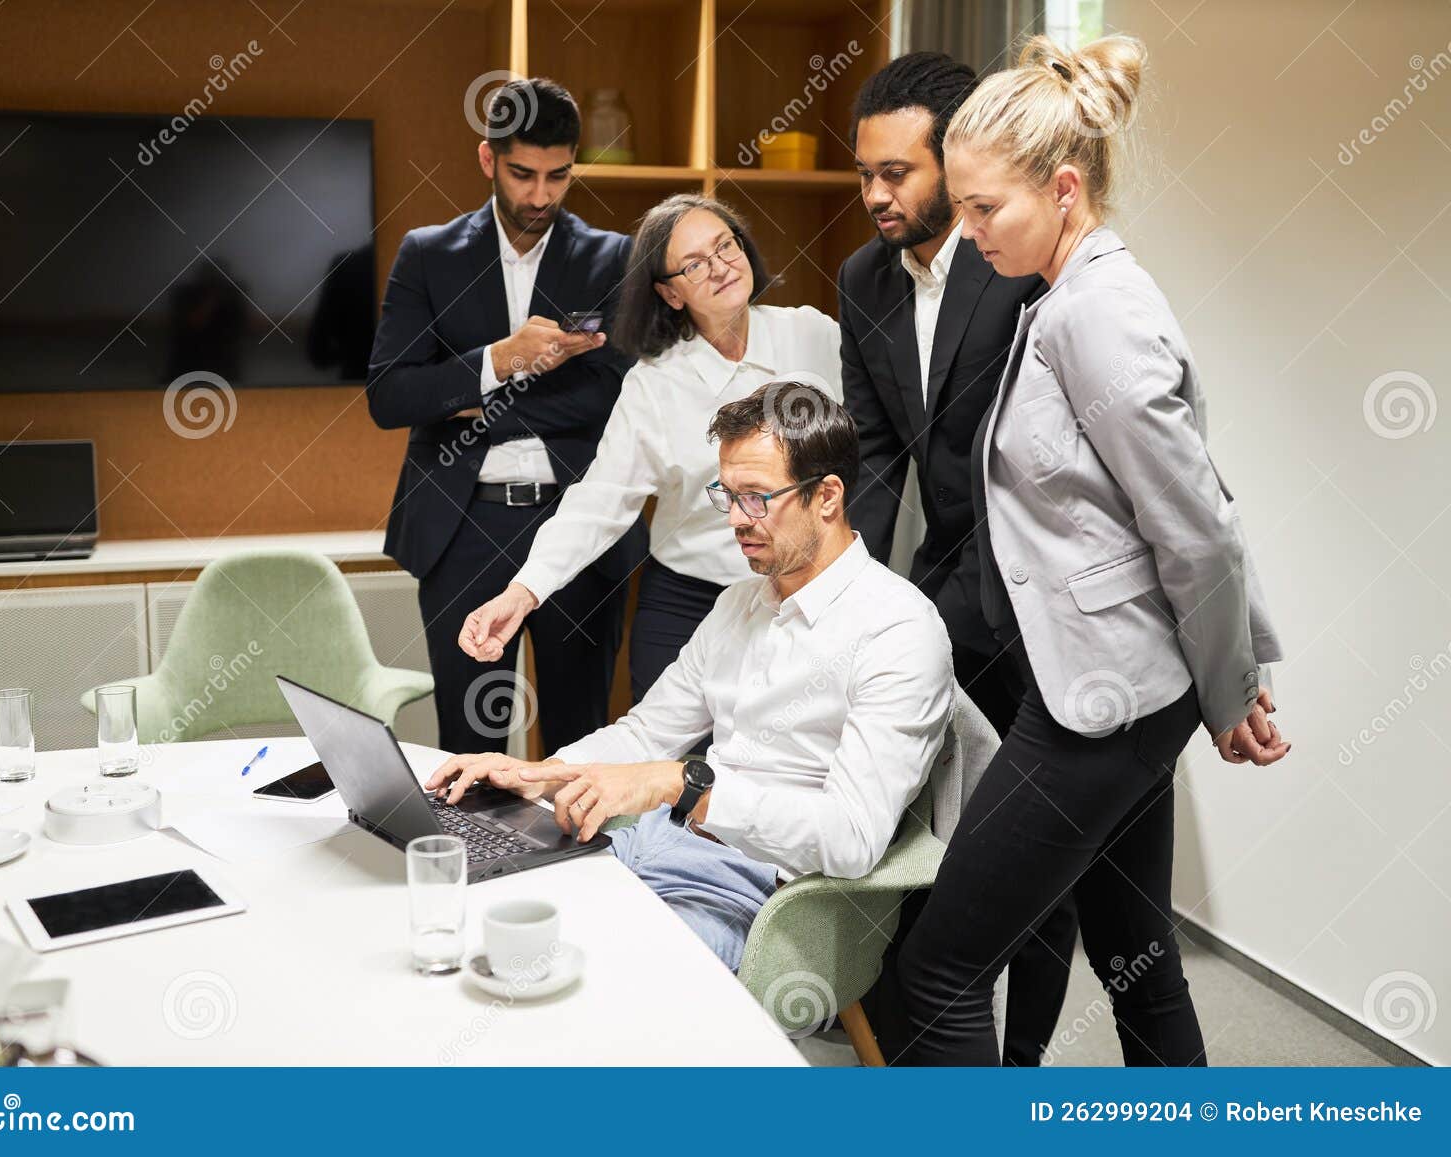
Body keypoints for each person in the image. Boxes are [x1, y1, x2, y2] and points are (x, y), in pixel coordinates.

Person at [882, 34, 1289, 1066]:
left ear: (1064, 189)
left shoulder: (1093, 311)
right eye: (961, 205)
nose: (964, 231)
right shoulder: (1063, 295)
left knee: (937, 971)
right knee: (1134, 954)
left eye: (985, 209)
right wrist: (1227, 674)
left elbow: (1195, 522)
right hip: (1111, 685)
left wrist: (1231, 685)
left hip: (1102, 702)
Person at [428, 383, 955, 970]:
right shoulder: (738, 605)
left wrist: (688, 787)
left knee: (598, 979)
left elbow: (852, 839)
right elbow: (645, 736)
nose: (735, 520)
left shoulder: (897, 630)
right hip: (649, 842)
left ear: (827, 496)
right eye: (725, 495)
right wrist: (532, 775)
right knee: (479, 921)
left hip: (755, 892)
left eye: (755, 498)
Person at [841, 52, 1076, 1066]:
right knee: (941, 839)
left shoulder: (1015, 259)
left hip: (1049, 606)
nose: (876, 194)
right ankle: (936, 1046)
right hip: (943, 597)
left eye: (898, 173)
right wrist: (858, 595)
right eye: (864, 173)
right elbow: (879, 453)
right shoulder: (861, 280)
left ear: (953, 163)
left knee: (1049, 865)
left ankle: (1019, 1061)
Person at [456, 194, 843, 701]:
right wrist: (523, 591)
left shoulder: (814, 334)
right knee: (667, 762)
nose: (720, 267)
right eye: (694, 265)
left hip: (809, 593)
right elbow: (601, 501)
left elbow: (871, 454)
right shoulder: (655, 383)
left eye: (725, 246)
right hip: (692, 601)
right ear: (670, 293)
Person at [366, 77, 644, 755]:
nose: (540, 195)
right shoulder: (428, 255)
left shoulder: (613, 257)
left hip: (577, 524)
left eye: (558, 175)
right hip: (461, 529)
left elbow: (618, 394)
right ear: (488, 159)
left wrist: (467, 397)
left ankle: (576, 865)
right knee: (470, 747)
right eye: (523, 174)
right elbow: (390, 396)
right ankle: (473, 863)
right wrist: (501, 359)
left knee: (580, 743)